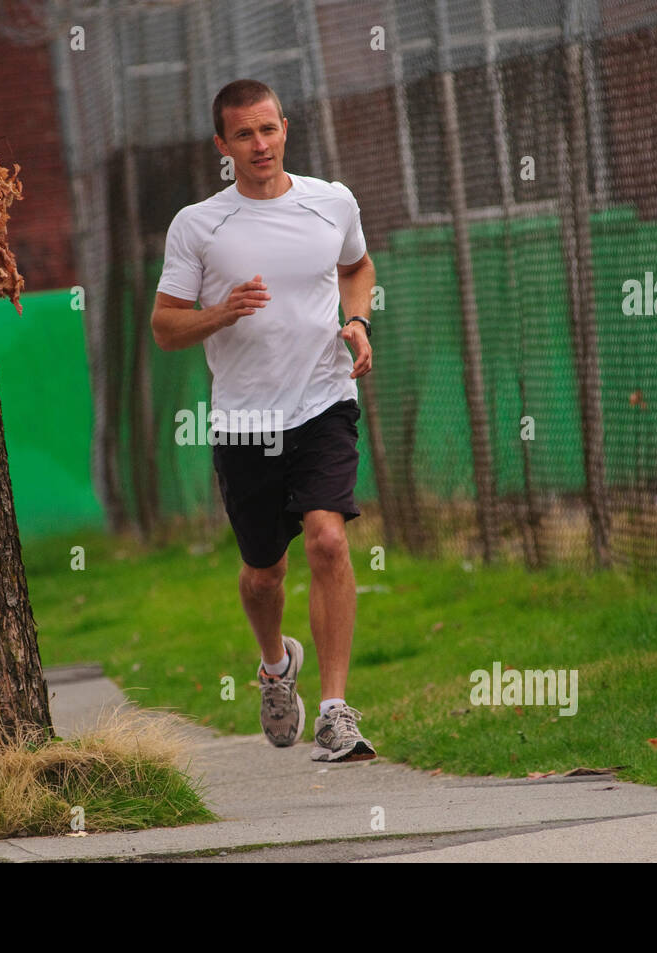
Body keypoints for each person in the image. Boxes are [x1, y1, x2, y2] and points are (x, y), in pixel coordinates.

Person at [150, 78, 377, 762]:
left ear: (286, 128)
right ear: (222, 145)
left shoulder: (330, 202)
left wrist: (359, 320)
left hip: (323, 401)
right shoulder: (200, 225)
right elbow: (165, 326)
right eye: (244, 135)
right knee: (263, 575)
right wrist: (221, 311)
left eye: (269, 129)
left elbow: (358, 265)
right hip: (246, 422)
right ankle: (277, 667)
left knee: (329, 541)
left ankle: (336, 710)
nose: (260, 145)